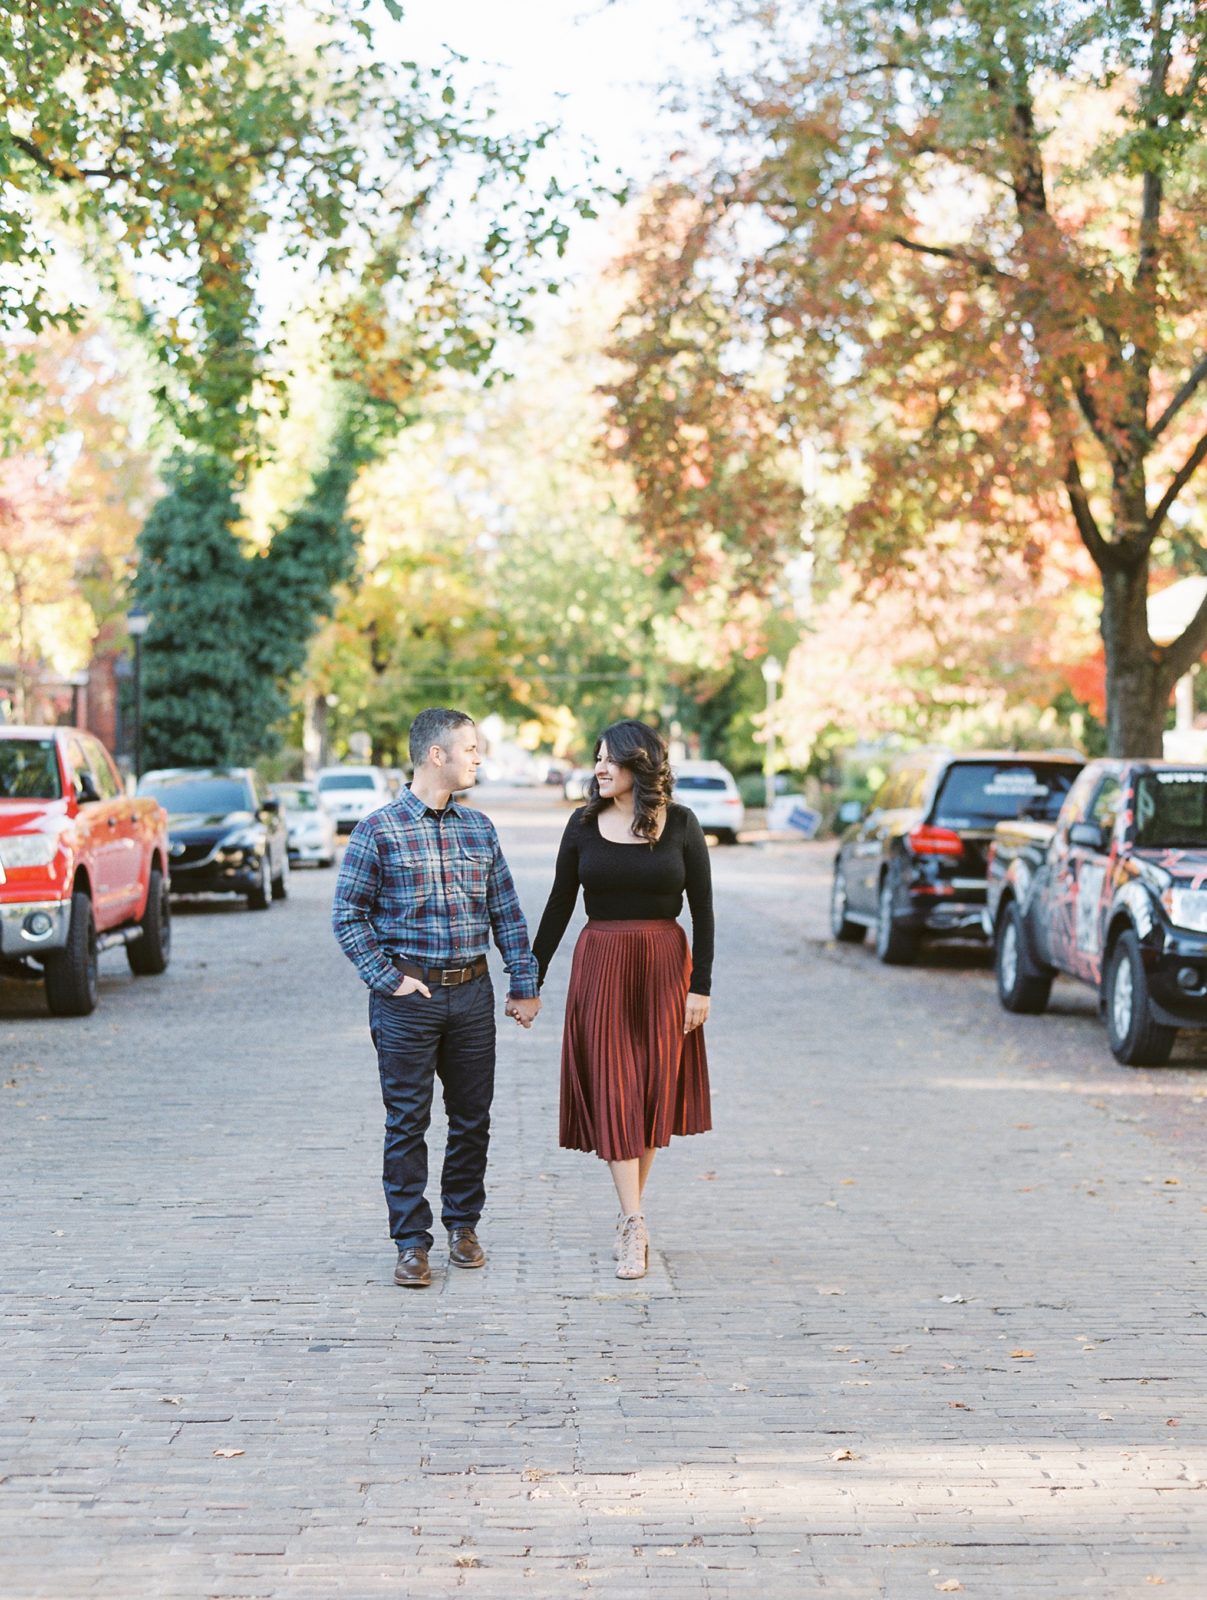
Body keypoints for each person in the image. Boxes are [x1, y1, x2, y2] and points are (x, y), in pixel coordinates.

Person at [332, 709, 541, 1288]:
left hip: (472, 995)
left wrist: (523, 984)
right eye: (470, 748)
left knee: (473, 1119)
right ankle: (410, 1242)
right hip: (408, 1000)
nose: (478, 758)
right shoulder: (378, 830)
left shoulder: (480, 830)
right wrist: (388, 978)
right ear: (435, 755)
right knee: (407, 1122)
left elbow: (507, 913)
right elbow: (347, 916)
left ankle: (463, 1226)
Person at [532, 719, 714, 1280]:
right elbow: (560, 904)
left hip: (664, 966)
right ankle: (633, 1221)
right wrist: (528, 980)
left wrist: (699, 985)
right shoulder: (583, 824)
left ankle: (629, 1215)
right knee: (615, 1087)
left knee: (652, 1092)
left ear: (641, 762)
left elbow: (703, 910)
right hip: (602, 965)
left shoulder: (682, 824)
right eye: (596, 759)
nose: (599, 768)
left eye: (609, 758)